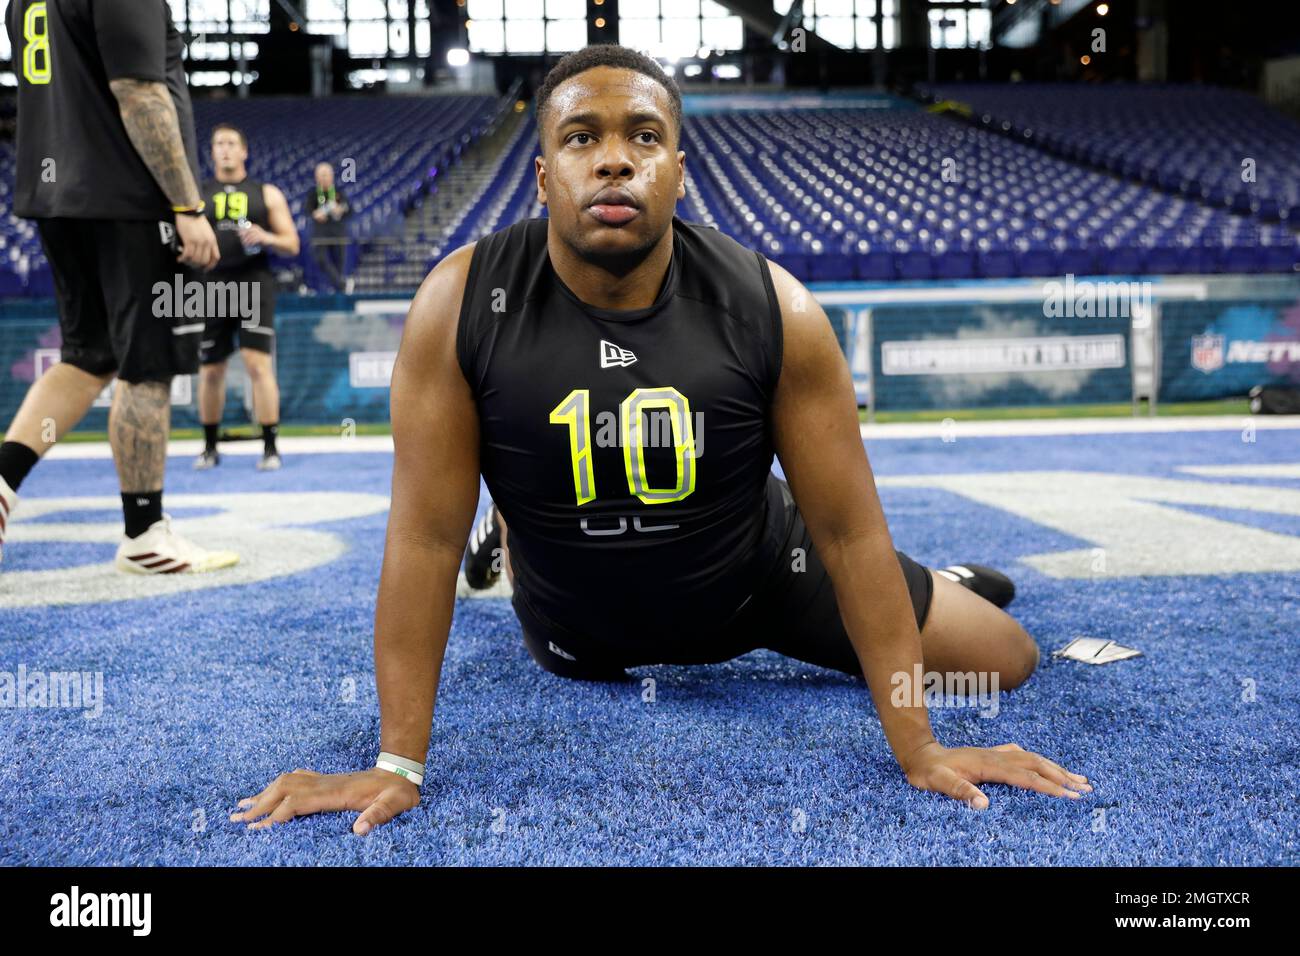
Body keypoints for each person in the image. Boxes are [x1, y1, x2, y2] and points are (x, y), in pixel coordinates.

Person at [233, 45, 1088, 834]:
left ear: (678, 173)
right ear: (541, 176)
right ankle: (518, 536)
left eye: (645, 136)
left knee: (1007, 658)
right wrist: (397, 763)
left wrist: (919, 747)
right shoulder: (459, 304)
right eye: (581, 138)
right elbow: (424, 538)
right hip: (577, 622)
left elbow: (848, 532)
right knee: (550, 608)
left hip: (759, 577)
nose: (614, 158)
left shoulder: (773, 307)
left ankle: (942, 584)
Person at [0, 0, 238, 575]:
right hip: (129, 202)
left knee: (89, 355)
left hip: (59, 197)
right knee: (146, 367)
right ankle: (144, 532)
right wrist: (186, 203)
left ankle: (4, 480)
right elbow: (138, 93)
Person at [194, 123, 300, 472]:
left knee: (258, 364)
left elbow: (292, 243)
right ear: (212, 152)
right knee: (210, 370)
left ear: (244, 151)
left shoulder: (265, 192)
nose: (224, 149)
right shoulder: (197, 192)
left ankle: (270, 447)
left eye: (231, 143)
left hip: (253, 281)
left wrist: (265, 236)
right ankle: (209, 447)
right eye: (218, 143)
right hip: (211, 284)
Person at [305, 162, 351, 293]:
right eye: (321, 175)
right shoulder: (313, 194)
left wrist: (340, 210)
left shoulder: (339, 192)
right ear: (316, 177)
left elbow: (349, 209)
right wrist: (315, 214)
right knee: (321, 259)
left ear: (332, 176)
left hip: (338, 232)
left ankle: (339, 288)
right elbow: (307, 211)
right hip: (320, 233)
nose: (324, 178)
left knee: (340, 262)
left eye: (326, 175)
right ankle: (340, 284)